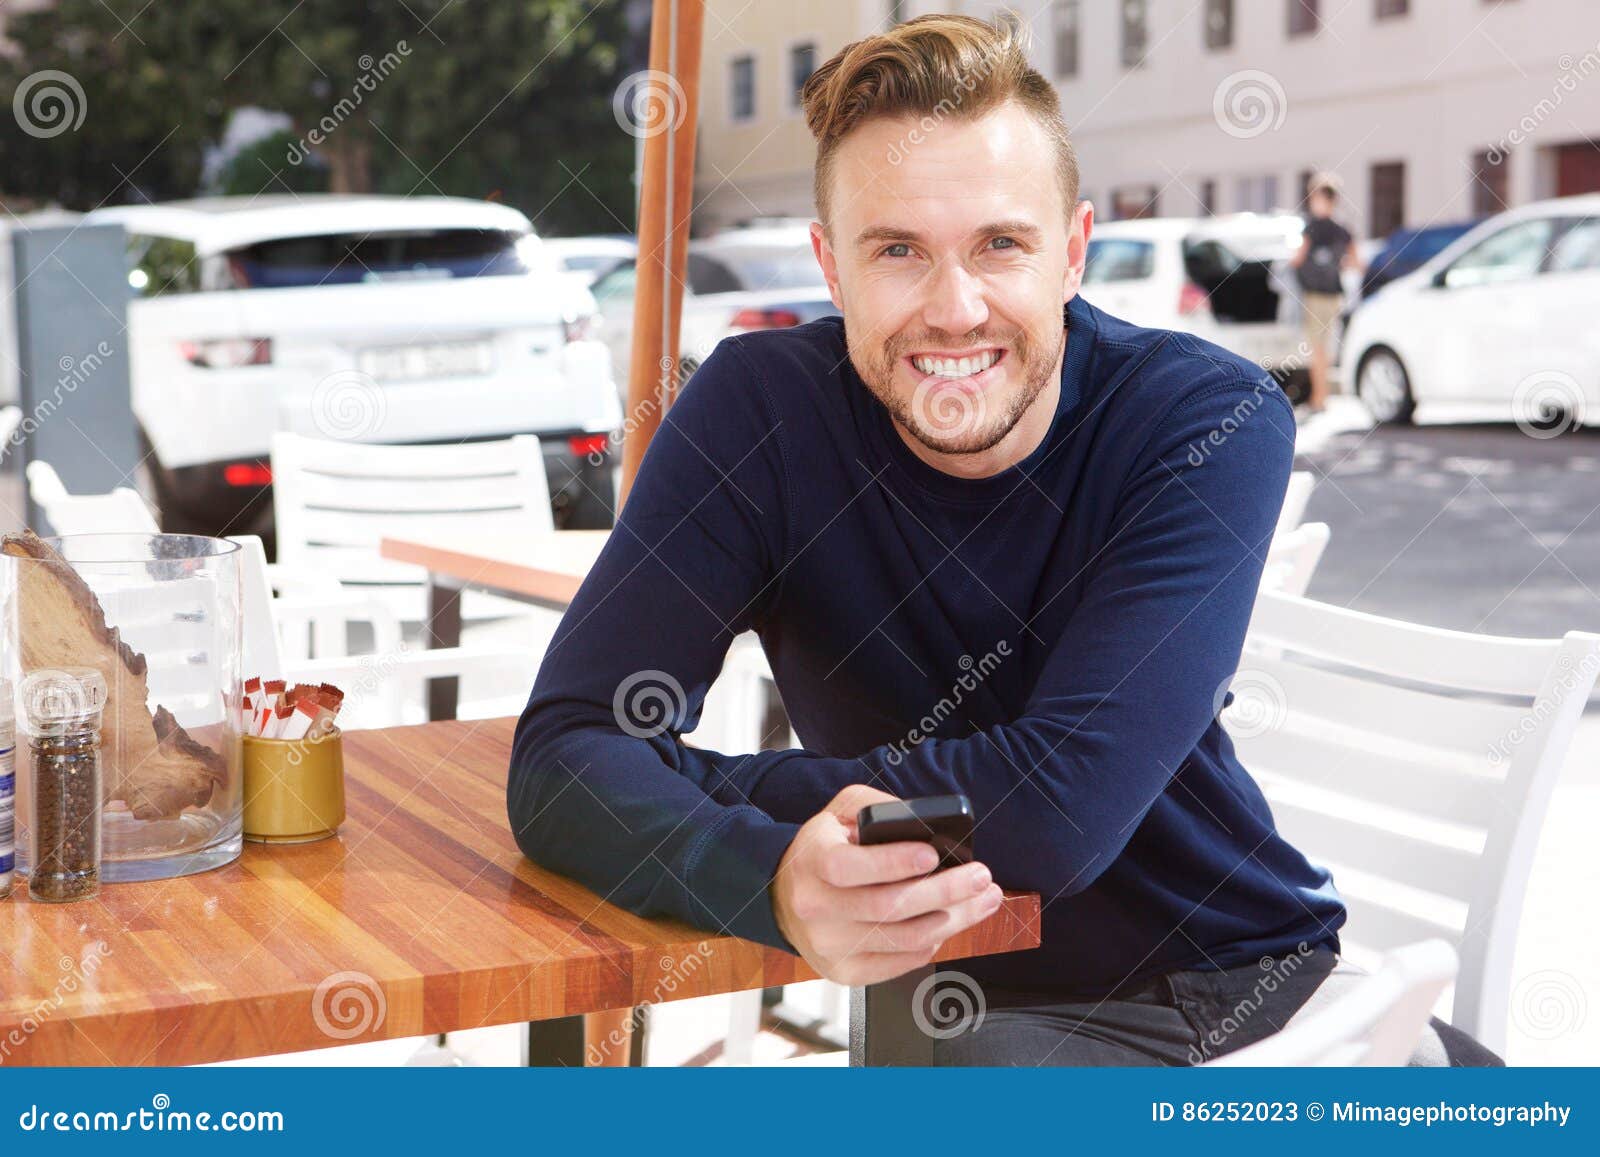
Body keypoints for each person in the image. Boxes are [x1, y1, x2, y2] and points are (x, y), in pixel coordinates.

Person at [508, 13, 1499, 1066]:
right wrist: (765, 874)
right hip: (952, 1008)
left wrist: (708, 785)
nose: (955, 307)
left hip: (1235, 994)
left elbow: (1053, 813)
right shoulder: (759, 412)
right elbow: (562, 757)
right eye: (896, 250)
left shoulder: (1201, 418)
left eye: (1000, 244)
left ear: (1070, 253)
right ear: (830, 268)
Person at [1289, 173, 1361, 415]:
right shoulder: (1343, 229)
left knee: (1316, 348)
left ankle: (1319, 398)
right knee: (1326, 346)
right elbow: (1356, 263)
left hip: (1316, 295)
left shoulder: (1312, 227)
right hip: (1334, 295)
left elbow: (1297, 259)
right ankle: (1322, 395)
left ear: (1320, 198)